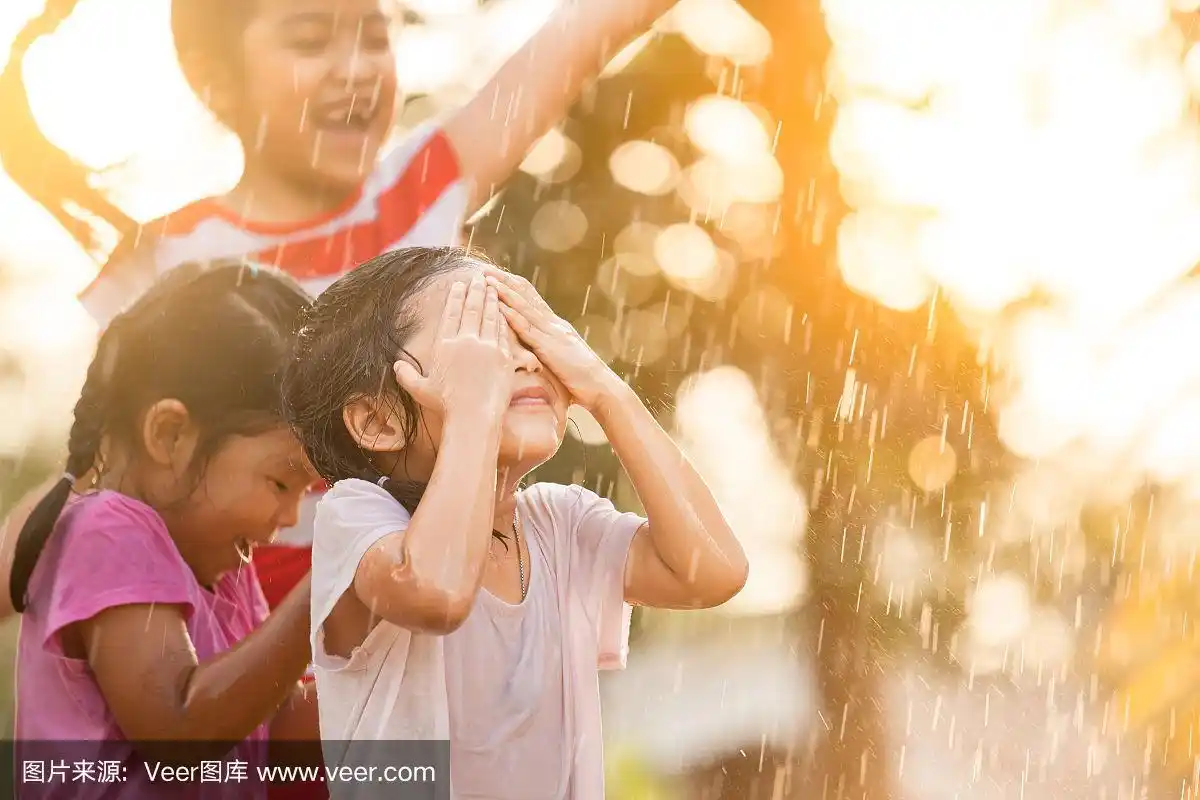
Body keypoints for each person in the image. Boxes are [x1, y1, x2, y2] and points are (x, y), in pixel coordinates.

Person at [0, 0, 685, 617]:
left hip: (423, 592)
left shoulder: (422, 188)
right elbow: (96, 474)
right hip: (238, 618)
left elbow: (583, 30)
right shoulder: (168, 258)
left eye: (374, 36)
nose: (355, 70)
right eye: (309, 41)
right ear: (215, 77)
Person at [282, 246, 749, 799]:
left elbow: (712, 573)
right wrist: (476, 408)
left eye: (531, 338)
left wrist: (606, 390)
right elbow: (437, 593)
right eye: (479, 344)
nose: (526, 360)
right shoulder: (359, 515)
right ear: (378, 421)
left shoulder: (561, 525)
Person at [12, 262, 316, 799]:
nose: (290, 519)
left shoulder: (221, 567)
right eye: (279, 482)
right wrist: (320, 597)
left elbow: (277, 722)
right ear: (170, 434)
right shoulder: (108, 533)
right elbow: (178, 730)